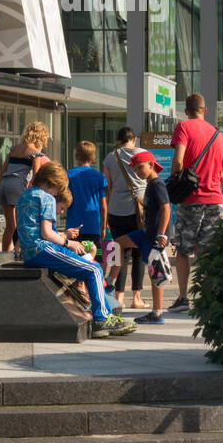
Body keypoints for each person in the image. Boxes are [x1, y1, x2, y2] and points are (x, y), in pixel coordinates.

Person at [15, 162, 136, 338]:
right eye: (58, 190)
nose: (57, 194)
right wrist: (68, 243)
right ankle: (102, 319)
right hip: (43, 249)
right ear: (52, 183)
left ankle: (104, 314)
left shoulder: (25, 195)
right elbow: (47, 233)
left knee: (90, 266)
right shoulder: (46, 198)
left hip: (30, 253)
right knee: (94, 269)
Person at [168, 93, 223, 312]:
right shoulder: (218, 135)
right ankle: (209, 298)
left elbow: (178, 160)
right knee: (209, 251)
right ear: (205, 110)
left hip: (191, 199)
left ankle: (183, 298)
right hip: (216, 200)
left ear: (186, 111)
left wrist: (176, 179)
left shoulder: (184, 127)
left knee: (184, 250)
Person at [111, 150, 172, 325]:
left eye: (140, 167)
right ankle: (109, 282)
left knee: (155, 273)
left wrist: (161, 233)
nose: (137, 172)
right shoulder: (151, 184)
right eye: (135, 169)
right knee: (118, 243)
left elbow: (166, 209)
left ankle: (157, 312)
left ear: (151, 165)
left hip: (154, 236)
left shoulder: (157, 184)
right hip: (146, 233)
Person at [103, 127, 149, 310]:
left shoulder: (110, 157)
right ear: (134, 139)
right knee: (139, 254)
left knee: (119, 251)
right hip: (139, 210)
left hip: (117, 210)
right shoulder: (143, 154)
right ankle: (136, 298)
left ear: (118, 141)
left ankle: (118, 297)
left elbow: (108, 184)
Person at [0, 122, 49, 253]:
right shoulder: (35, 152)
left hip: (4, 184)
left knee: (10, 226)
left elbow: (3, 170)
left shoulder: (14, 148)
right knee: (22, 224)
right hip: (17, 185)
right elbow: (36, 175)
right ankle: (19, 252)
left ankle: (4, 254)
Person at [66, 141, 108, 251]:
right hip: (93, 225)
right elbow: (103, 204)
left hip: (73, 226)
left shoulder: (67, 174)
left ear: (76, 156)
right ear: (93, 158)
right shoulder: (99, 176)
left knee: (73, 257)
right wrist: (103, 227)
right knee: (93, 256)